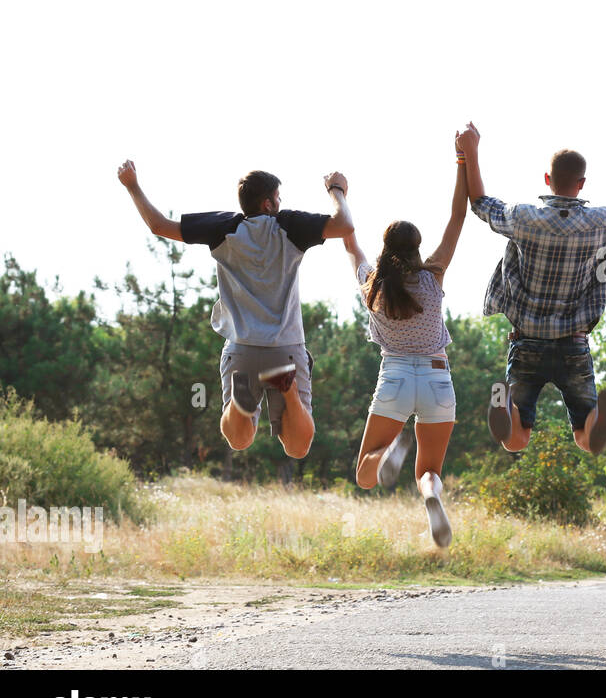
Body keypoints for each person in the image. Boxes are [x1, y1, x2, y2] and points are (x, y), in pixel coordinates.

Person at [460, 122, 606, 456]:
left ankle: (504, 403)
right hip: (573, 344)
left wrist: (470, 151)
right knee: (586, 439)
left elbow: (480, 203)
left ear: (547, 179)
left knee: (516, 439)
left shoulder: (524, 218)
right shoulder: (600, 222)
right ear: (582, 183)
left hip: (526, 340)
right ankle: (596, 418)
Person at [117, 160, 354, 459]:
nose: (281, 204)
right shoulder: (290, 226)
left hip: (240, 350)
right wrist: (337, 190)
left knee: (239, 440)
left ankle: (239, 403)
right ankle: (289, 393)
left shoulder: (223, 227)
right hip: (286, 349)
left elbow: (159, 226)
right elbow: (344, 224)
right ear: (268, 203)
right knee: (297, 447)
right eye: (278, 198)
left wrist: (132, 185)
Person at [340, 139, 469, 548]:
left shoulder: (370, 287)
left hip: (394, 377)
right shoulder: (434, 276)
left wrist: (338, 192)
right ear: (417, 248)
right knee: (427, 471)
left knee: (365, 473)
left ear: (386, 249)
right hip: (437, 379)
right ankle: (431, 495)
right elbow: (457, 216)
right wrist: (462, 159)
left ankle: (389, 452)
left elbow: (348, 240)